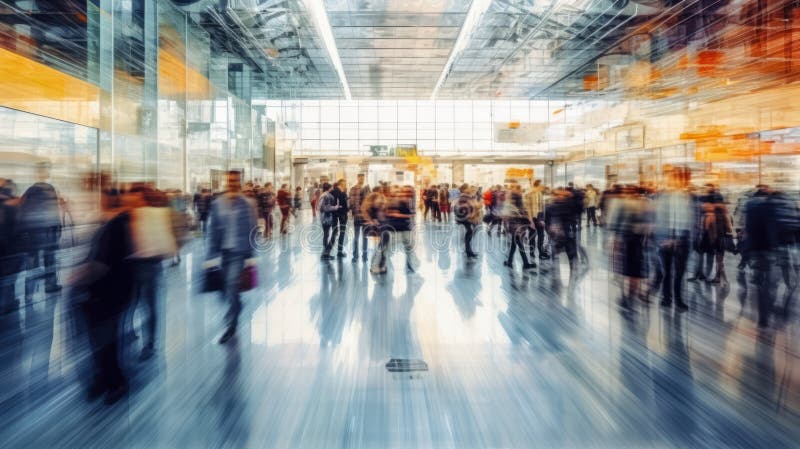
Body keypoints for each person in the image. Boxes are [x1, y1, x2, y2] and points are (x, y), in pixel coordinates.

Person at [70, 188, 135, 404]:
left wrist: (80, 277)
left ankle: (115, 382)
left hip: (108, 292)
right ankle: (105, 378)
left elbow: (103, 263)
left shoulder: (113, 225)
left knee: (104, 341)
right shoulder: (116, 224)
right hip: (109, 291)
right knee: (101, 340)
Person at [206, 171, 257, 344]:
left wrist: (251, 256)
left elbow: (252, 229)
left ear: (240, 182)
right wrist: (210, 256)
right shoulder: (217, 203)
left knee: (231, 285)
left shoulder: (247, 204)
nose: (232, 183)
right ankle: (236, 305)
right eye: (230, 180)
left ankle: (231, 325)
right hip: (223, 253)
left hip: (239, 252)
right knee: (225, 289)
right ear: (226, 182)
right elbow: (213, 230)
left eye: (235, 180)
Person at [17, 162, 63, 301]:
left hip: (33, 232)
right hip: (47, 231)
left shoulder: (30, 191)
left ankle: (30, 293)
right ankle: (50, 285)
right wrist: (58, 227)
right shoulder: (50, 189)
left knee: (33, 262)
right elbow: (54, 211)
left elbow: (22, 210)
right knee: (49, 259)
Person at [652, 168, 694, 310]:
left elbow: (691, 220)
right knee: (666, 271)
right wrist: (662, 239)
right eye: (671, 178)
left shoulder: (689, 197)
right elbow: (656, 219)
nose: (673, 181)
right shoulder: (660, 196)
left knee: (679, 272)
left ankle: (677, 299)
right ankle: (666, 298)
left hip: (683, 240)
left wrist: (681, 239)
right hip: (665, 239)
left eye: (676, 178)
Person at [385, 186, 420, 273]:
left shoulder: (408, 202)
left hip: (405, 228)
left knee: (409, 248)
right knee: (389, 248)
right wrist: (407, 216)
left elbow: (411, 213)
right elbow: (391, 213)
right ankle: (383, 264)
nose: (408, 195)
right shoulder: (395, 201)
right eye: (406, 192)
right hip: (395, 228)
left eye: (409, 193)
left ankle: (409, 265)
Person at [503, 183, 536, 271]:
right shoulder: (517, 198)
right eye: (520, 189)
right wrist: (526, 218)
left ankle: (510, 262)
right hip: (516, 225)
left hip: (514, 225)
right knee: (519, 243)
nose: (521, 191)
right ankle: (525, 263)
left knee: (515, 244)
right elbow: (520, 212)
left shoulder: (512, 198)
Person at [0, 180, 21, 313]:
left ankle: (8, 303)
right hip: (9, 246)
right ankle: (8, 304)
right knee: (9, 277)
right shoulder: (14, 204)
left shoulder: (9, 204)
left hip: (6, 245)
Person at [363, 186, 389, 274]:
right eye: (380, 190)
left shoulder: (382, 197)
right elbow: (364, 209)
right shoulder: (372, 197)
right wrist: (370, 220)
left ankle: (381, 266)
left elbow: (386, 210)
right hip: (376, 227)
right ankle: (375, 267)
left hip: (383, 225)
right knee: (377, 247)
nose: (381, 191)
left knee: (382, 247)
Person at [453, 184, 480, 259]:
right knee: (470, 232)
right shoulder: (464, 196)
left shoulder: (466, 196)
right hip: (466, 218)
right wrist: (476, 205)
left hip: (467, 217)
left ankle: (469, 251)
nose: (469, 189)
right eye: (468, 188)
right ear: (464, 189)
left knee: (470, 232)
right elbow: (468, 206)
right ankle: (468, 251)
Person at [525, 179, 549, 260]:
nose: (542, 187)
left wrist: (543, 218)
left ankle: (541, 253)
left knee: (541, 235)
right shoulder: (529, 194)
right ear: (537, 185)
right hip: (533, 217)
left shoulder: (540, 193)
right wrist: (530, 220)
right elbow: (528, 208)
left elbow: (541, 206)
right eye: (540, 185)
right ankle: (532, 253)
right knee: (532, 236)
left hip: (540, 216)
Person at [349, 174, 370, 263]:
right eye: (360, 177)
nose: (362, 179)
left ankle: (364, 256)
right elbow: (351, 202)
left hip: (365, 217)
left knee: (365, 237)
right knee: (356, 237)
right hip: (358, 217)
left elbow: (370, 201)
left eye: (363, 177)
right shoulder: (353, 189)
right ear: (357, 178)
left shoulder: (367, 188)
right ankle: (355, 256)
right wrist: (352, 213)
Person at [317, 182, 341, 260]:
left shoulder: (324, 195)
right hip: (326, 218)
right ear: (329, 187)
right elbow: (322, 207)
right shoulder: (326, 195)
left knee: (326, 235)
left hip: (325, 218)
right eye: (331, 187)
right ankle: (325, 253)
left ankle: (326, 253)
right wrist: (335, 207)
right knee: (327, 234)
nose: (333, 188)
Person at [330, 179, 349, 258]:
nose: (345, 185)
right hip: (342, 215)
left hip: (334, 214)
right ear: (341, 184)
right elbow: (345, 205)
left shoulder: (332, 192)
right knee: (342, 233)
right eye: (344, 183)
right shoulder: (343, 193)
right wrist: (347, 209)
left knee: (334, 233)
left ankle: (327, 251)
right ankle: (339, 252)